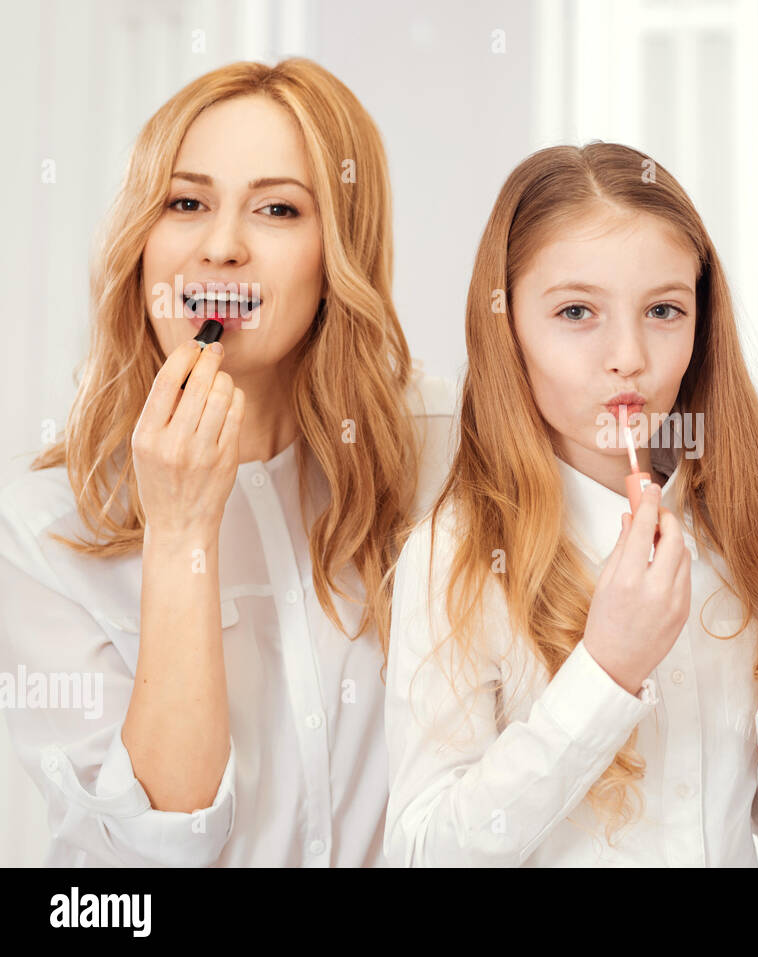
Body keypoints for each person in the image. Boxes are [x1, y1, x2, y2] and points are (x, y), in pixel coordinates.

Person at [385, 142, 758, 866]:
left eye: (663, 309)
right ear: (506, 328)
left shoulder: (741, 536)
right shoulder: (456, 555)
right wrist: (605, 670)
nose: (628, 354)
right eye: (576, 311)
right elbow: (424, 851)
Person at [0, 59, 453, 866]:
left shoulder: (433, 452)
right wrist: (179, 534)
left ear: (338, 253)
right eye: (186, 203)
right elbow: (157, 851)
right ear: (143, 241)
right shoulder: (42, 530)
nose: (221, 246)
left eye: (278, 209)